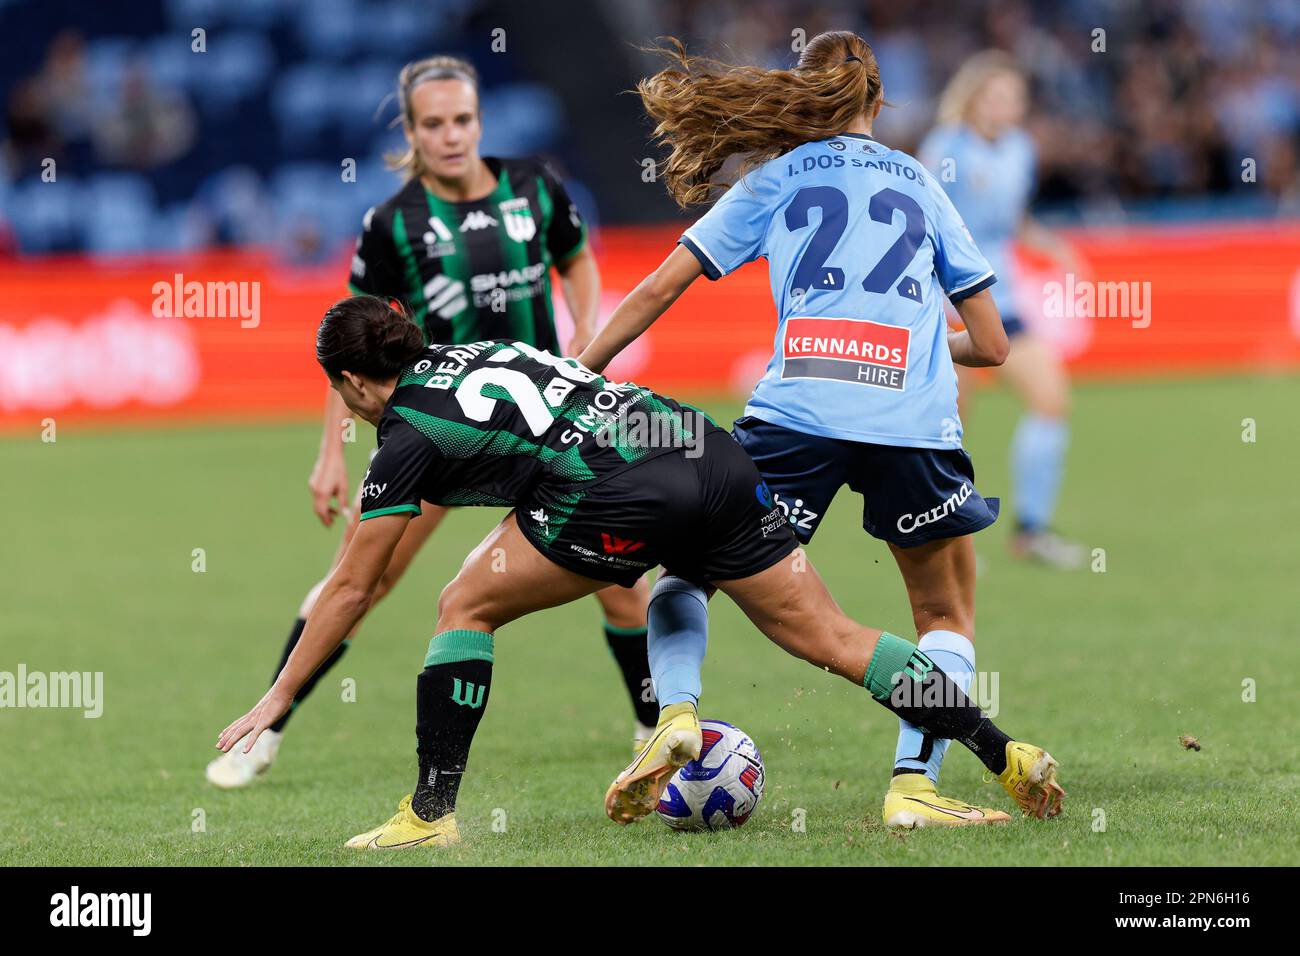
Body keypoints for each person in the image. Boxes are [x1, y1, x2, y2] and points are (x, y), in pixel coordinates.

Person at [215, 295, 1063, 849]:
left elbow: (356, 585)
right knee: (834, 636)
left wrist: (279, 694)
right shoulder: (486, 350)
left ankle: (429, 815)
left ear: (353, 382)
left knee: (460, 605)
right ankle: (1004, 753)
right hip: (700, 446)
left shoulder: (402, 438)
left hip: (616, 492)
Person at [578, 32, 1034, 828]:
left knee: (688, 573)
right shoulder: (923, 180)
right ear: (878, 101)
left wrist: (580, 373)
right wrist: (918, 344)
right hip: (913, 424)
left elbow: (658, 287)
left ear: (803, 95)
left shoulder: (775, 176)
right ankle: (914, 789)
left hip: (797, 419)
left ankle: (676, 714)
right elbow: (993, 346)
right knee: (943, 615)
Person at [205, 55, 654, 791]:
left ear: (480, 120)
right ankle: (265, 732)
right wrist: (331, 453)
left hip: (537, 429)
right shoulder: (392, 225)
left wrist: (585, 338)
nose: (452, 136)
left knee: (620, 582)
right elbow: (349, 344)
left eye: (464, 121)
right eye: (435, 124)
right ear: (411, 132)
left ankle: (649, 723)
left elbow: (576, 260)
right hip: (436, 436)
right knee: (362, 579)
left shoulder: (537, 188)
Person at [920, 51, 1086, 568]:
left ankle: (1031, 530)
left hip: (1005, 298)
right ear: (972, 99)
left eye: (1013, 97)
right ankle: (943, 536)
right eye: (995, 96)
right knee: (950, 421)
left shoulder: (1019, 150)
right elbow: (917, 221)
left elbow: (1010, 220)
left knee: (1051, 400)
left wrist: (1053, 246)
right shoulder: (945, 149)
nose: (1005, 106)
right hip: (951, 299)